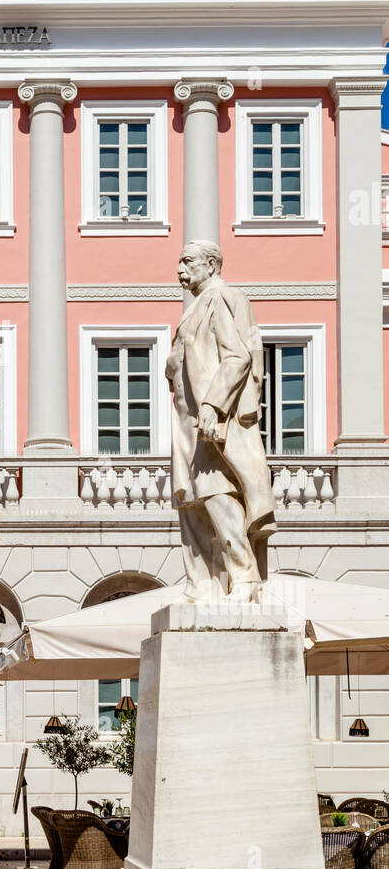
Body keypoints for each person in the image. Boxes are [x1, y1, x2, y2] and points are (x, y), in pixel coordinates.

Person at [165, 239, 276, 602]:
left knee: (217, 493)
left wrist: (214, 406)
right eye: (179, 263)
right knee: (191, 501)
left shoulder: (222, 299)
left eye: (187, 262)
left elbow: (238, 357)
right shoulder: (194, 308)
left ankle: (244, 578)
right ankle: (201, 584)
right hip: (186, 421)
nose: (179, 269)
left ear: (211, 265)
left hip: (210, 420)